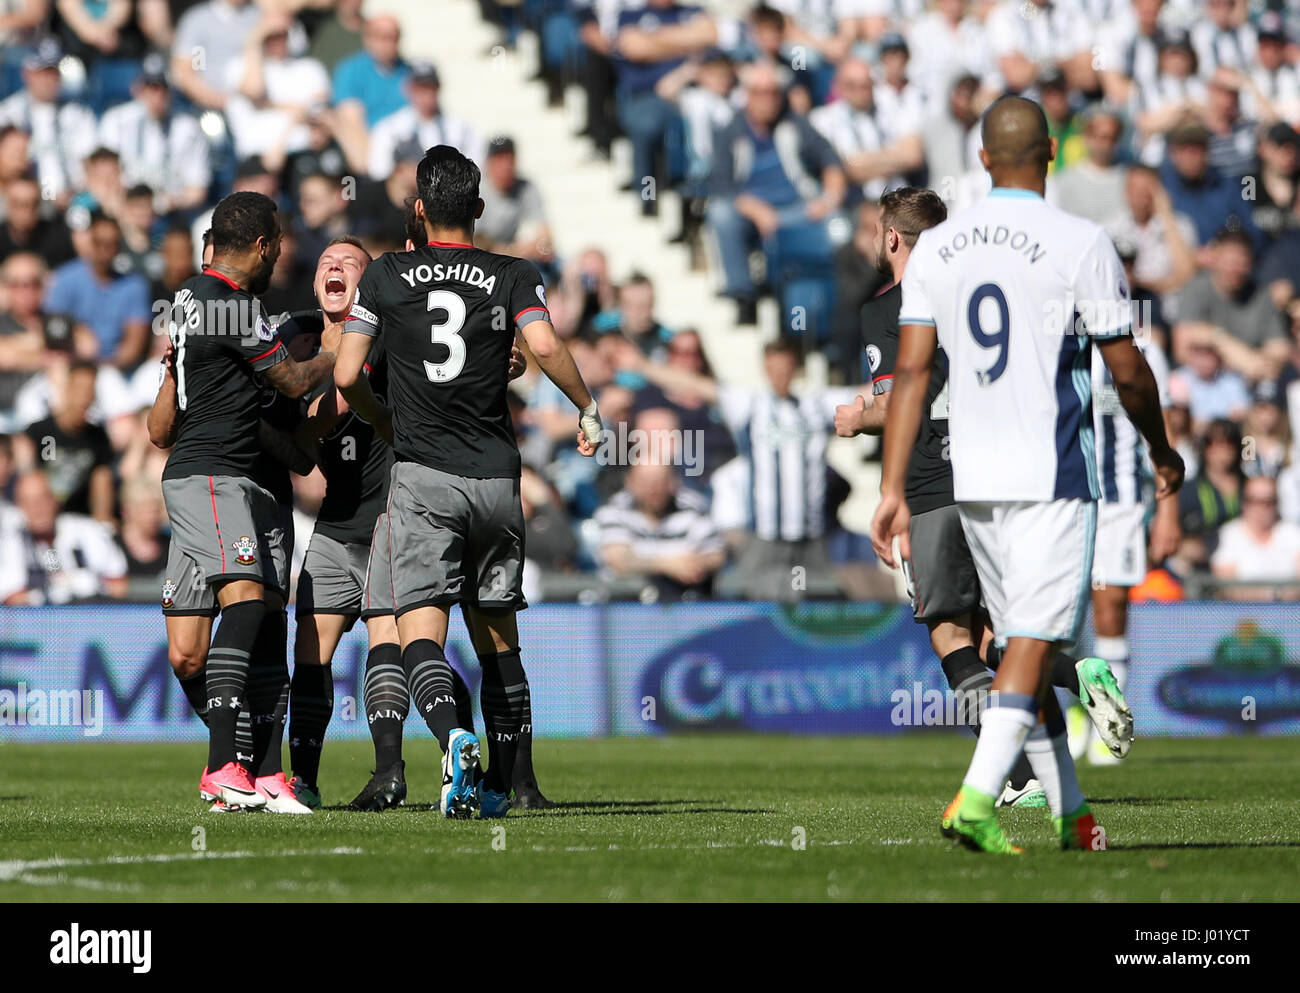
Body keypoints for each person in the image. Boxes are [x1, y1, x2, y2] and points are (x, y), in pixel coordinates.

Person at [871, 95, 1183, 854]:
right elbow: (1127, 369)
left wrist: (888, 490)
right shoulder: (1081, 240)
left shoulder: (941, 250)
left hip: (969, 479)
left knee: (1023, 649)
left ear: (982, 159)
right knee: (1033, 646)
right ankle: (976, 800)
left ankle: (1073, 818)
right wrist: (1160, 446)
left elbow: (909, 377)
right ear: (1051, 152)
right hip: (1053, 474)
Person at [334, 145, 602, 819]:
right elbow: (541, 347)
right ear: (479, 208)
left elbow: (345, 377)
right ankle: (521, 786)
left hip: (425, 475)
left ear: (419, 210)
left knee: (420, 629)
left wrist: (385, 418)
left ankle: (455, 740)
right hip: (495, 478)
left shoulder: (387, 274)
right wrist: (588, 406)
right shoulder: (511, 273)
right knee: (500, 639)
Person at [153, 190, 339, 811]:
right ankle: (222, 767)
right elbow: (288, 377)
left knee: (188, 653)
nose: (280, 252)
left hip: (223, 479)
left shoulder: (183, 301)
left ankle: (260, 774)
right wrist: (339, 354)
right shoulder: (235, 307)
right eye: (279, 242)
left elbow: (159, 426)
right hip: (215, 476)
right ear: (262, 246)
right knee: (248, 600)